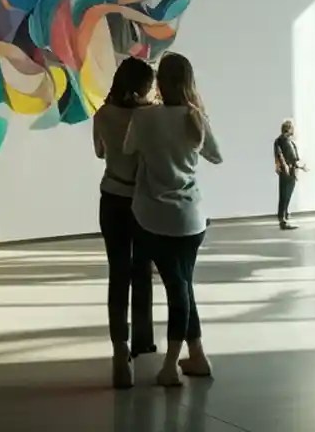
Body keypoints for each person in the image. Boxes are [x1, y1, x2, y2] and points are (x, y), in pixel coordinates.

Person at [125, 52, 222, 387]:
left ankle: (169, 366)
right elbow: (216, 156)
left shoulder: (144, 118)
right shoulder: (196, 118)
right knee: (183, 287)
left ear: (159, 82)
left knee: (177, 290)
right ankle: (197, 356)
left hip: (155, 218)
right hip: (192, 219)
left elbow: (127, 152)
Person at [92, 57, 158, 389]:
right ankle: (144, 340)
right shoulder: (148, 117)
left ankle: (120, 350)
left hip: (111, 198)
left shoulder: (102, 114)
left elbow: (100, 153)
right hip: (142, 200)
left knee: (118, 273)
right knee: (142, 269)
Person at [274, 119, 306, 230]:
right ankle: (282, 219)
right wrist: (284, 166)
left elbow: (293, 158)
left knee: (287, 196)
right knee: (284, 195)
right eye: (292, 128)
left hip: (291, 171)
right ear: (288, 129)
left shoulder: (290, 141)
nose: (294, 130)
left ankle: (285, 215)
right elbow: (279, 155)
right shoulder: (280, 140)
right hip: (286, 171)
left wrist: (299, 167)